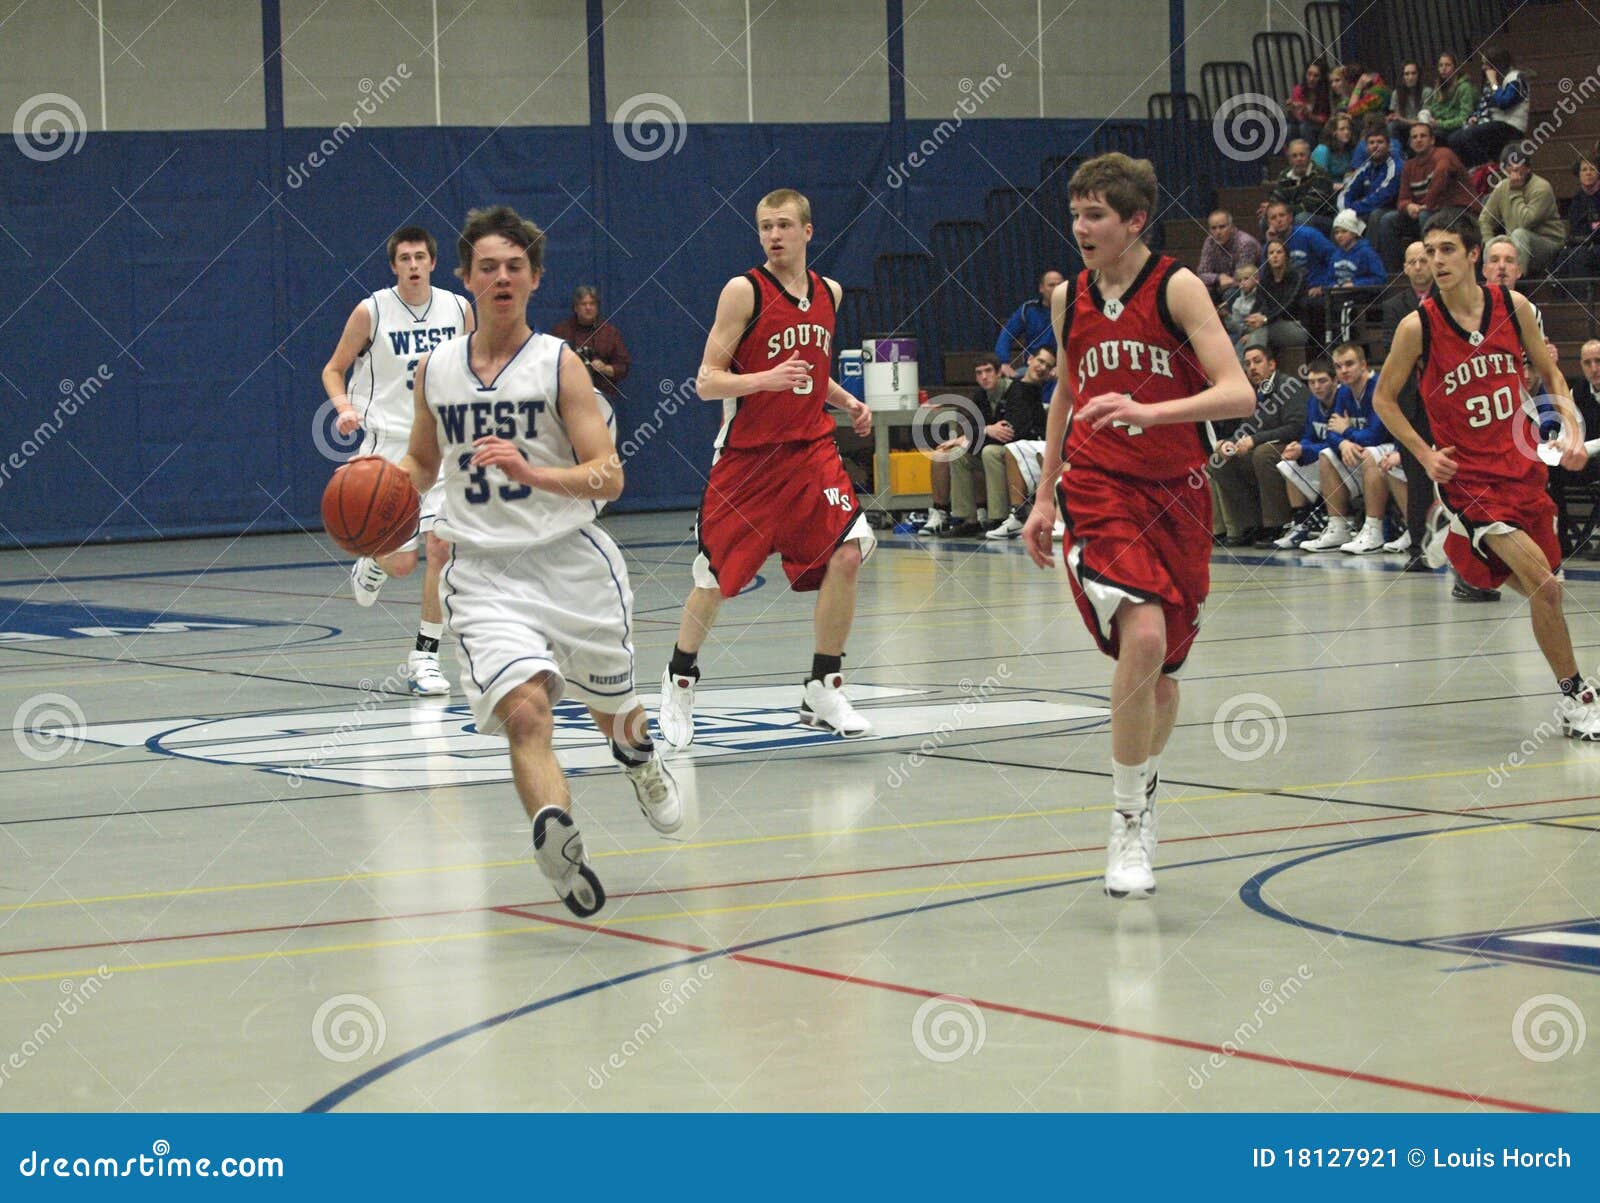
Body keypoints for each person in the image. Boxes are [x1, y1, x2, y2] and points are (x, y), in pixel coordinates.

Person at [396, 205, 681, 917]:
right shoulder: (436, 370)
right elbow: (420, 464)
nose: (501, 276)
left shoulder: (560, 365)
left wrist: (534, 474)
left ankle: (638, 758)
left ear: (534, 279)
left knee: (614, 714)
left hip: (571, 562)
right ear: (464, 279)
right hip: (483, 570)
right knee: (525, 713)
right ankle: (556, 840)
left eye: (515, 267)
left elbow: (609, 476)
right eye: (487, 266)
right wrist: (376, 513)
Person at [1021, 153, 1254, 900]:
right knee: (1143, 637)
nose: (1081, 228)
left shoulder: (1177, 287)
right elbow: (1064, 395)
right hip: (1099, 485)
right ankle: (1124, 821)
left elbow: (1238, 393)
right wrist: (1046, 494)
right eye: (1076, 213)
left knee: (1164, 678)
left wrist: (1149, 411)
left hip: (1176, 494)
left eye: (1096, 216)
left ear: (1134, 221)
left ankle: (1144, 789)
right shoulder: (1071, 297)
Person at [659, 188, 877, 747]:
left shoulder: (830, 292)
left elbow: (810, 370)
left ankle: (823, 683)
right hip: (748, 462)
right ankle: (679, 680)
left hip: (810, 454)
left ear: (808, 231)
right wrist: (762, 380)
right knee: (714, 582)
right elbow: (707, 381)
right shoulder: (744, 291)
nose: (773, 235)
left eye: (783, 225)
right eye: (763, 227)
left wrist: (846, 401)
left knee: (849, 552)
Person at [1372, 214, 1600, 739]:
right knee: (1544, 586)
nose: (1436, 261)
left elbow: (1550, 372)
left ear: (1474, 254)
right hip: (1468, 479)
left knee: (1549, 589)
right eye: (1429, 251)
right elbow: (1383, 399)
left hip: (1520, 469)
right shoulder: (1419, 326)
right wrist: (1426, 456)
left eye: (1447, 249)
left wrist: (1568, 423)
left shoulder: (1512, 308)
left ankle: (1458, 545)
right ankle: (1575, 697)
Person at [320, 224, 475, 696]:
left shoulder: (457, 308)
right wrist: (345, 408)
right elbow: (333, 368)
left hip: (443, 443)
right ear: (394, 265)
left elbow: (474, 363)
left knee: (442, 548)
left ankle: (424, 657)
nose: (412, 265)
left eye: (420, 257)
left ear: (432, 262)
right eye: (404, 258)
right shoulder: (371, 311)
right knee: (402, 563)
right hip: (388, 446)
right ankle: (372, 560)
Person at [1209, 346, 1309, 547]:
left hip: (1294, 447)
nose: (1252, 368)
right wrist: (1227, 442)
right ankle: (1247, 524)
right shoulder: (1251, 392)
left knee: (1262, 455)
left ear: (1272, 364)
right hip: (1261, 447)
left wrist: (1256, 439)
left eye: (1257, 361)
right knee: (1219, 460)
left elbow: (1295, 428)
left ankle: (1276, 524)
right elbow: (1245, 429)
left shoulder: (1289, 386)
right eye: (1247, 364)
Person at [1381, 241, 1438, 568]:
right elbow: (1393, 351)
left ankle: (1462, 547)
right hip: (1411, 405)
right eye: (1411, 262)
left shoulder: (1446, 301)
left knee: (1450, 477)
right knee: (1417, 478)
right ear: (1404, 268)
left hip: (1444, 402)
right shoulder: (1395, 306)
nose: (1418, 266)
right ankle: (1419, 547)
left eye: (1423, 260)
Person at [919, 353, 1006, 535]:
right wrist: (982, 432)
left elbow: (1009, 431)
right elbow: (973, 430)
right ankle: (952, 515)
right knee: (949, 453)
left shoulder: (1015, 391)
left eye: (988, 371)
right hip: (985, 446)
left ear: (999, 373)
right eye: (979, 373)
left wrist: (978, 434)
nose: (984, 377)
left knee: (988, 452)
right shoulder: (979, 397)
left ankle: (995, 517)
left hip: (1008, 450)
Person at [1373, 122, 1477, 271]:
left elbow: (1442, 174)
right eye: (1414, 137)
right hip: (1428, 211)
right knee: (1386, 219)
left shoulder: (1443, 154)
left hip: (1458, 210)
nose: (1418, 140)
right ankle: (1393, 274)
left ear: (1432, 140)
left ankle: (1430, 268)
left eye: (1423, 136)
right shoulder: (1409, 166)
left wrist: (1425, 205)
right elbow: (1402, 199)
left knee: (1425, 216)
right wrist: (1409, 206)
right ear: (1410, 142)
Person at [981, 346, 1053, 538]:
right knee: (972, 452)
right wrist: (985, 431)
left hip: (1035, 443)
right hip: (1015, 441)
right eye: (1040, 361)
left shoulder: (1049, 389)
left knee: (994, 452)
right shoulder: (1012, 387)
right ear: (1030, 360)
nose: (1042, 367)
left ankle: (1006, 517)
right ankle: (974, 516)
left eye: (1048, 365)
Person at [1270, 359, 1342, 548]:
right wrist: (1298, 446)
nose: (1317, 386)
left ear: (1335, 381)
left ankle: (1338, 525)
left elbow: (1336, 442)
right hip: (1323, 455)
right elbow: (1309, 436)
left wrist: (1306, 449)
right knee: (1288, 463)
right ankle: (1301, 525)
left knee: (1325, 454)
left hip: (1343, 457)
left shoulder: (1343, 399)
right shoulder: (1313, 403)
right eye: (1312, 382)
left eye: (1322, 381)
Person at [1479, 147, 1568, 278]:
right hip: (1516, 245)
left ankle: (1517, 281)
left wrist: (1515, 191)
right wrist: (1490, 243)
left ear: (1527, 168)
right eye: (1509, 166)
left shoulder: (1541, 187)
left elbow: (1525, 222)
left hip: (1547, 244)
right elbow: (1485, 219)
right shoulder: (1502, 187)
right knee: (1496, 244)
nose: (1514, 170)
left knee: (1519, 234)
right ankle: (1492, 283)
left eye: (1518, 166)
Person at [1450, 46, 1529, 167]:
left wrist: (1494, 84)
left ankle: (1485, 166)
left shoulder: (1515, 77)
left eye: (1486, 64)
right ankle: (1470, 170)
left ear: (1496, 63)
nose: (1483, 68)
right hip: (1493, 121)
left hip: (1512, 125)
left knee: (1468, 136)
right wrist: (1475, 116)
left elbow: (1504, 103)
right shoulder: (1491, 80)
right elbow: (1485, 103)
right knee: (1454, 138)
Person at [551, 285, 631, 401]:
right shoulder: (561, 331)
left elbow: (623, 367)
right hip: (569, 399)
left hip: (602, 398)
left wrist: (604, 368)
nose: (588, 308)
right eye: (583, 304)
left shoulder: (609, 333)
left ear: (597, 307)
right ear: (575, 308)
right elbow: (549, 366)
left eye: (592, 304)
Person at [1258, 138, 1337, 234]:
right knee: (1264, 221)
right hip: (1292, 214)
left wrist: (1283, 212)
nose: (1298, 159)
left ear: (1309, 157)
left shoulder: (1320, 174)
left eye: (1302, 155)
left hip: (1323, 218)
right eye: (1294, 156)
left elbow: (1309, 207)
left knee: (1301, 218)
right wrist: (1271, 209)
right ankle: (1275, 247)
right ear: (1290, 160)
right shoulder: (1285, 175)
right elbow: (1277, 199)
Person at [1244, 238, 1309, 354]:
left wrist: (1265, 319)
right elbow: (1257, 305)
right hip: (1270, 324)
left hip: (1295, 326)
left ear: (1286, 256)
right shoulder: (1265, 280)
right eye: (1271, 253)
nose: (1275, 256)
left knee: (1262, 329)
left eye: (1279, 252)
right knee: (1246, 337)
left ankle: (1248, 368)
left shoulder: (1297, 277)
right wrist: (1250, 323)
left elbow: (1287, 306)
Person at [996, 269, 1064, 376]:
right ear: (1041, 288)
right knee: (1015, 384)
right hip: (1032, 368)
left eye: (1060, 285)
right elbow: (1006, 335)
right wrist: (1003, 362)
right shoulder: (1028, 309)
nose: (1056, 289)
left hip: (1063, 368)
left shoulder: (1074, 310)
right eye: (1051, 285)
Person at [1335, 121, 1400, 219]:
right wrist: (1345, 211)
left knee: (1375, 214)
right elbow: (1346, 192)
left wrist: (1352, 210)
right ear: (1366, 147)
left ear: (1388, 145)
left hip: (1386, 210)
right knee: (1342, 220)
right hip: (1362, 210)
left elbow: (1382, 198)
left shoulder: (1396, 166)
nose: (1375, 146)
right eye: (1371, 142)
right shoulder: (1365, 167)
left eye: (1380, 142)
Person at [1554, 154, 1600, 280]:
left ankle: (1581, 298)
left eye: (1592, 169)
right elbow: (1576, 229)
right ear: (1578, 175)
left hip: (1596, 244)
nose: (1588, 173)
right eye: (1584, 170)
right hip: (1583, 243)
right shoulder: (1577, 200)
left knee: (1579, 255)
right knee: (1563, 255)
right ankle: (1562, 297)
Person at [1196, 209, 1261, 295]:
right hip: (1220, 285)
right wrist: (1218, 278)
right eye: (1213, 228)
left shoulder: (1245, 243)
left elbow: (1240, 280)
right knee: (1199, 290)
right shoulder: (1210, 242)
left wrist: (1221, 281)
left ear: (1232, 227)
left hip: (1251, 289)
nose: (1218, 232)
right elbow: (1201, 274)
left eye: (1222, 227)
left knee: (1230, 293)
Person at [1421, 51, 1478, 139]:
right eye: (1441, 65)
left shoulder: (1464, 87)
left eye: (1447, 65)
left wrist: (1439, 123)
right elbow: (1435, 109)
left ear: (1455, 68)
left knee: (1434, 137)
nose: (1443, 68)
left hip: (1460, 127)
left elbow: (1464, 117)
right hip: (1442, 125)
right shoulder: (1439, 86)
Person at [1285, 61, 1332, 144]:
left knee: (1305, 127)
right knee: (1289, 128)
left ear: (1322, 77)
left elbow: (1325, 119)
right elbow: (1299, 117)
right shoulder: (1298, 90)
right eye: (1309, 74)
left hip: (1321, 125)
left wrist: (1309, 115)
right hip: (1301, 123)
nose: (1311, 79)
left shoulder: (1326, 93)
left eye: (1316, 76)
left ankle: (1311, 155)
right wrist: (1293, 109)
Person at [1387, 60, 1426, 149]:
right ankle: (1397, 155)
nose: (1410, 77)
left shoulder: (1426, 92)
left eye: (1413, 73)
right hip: (1404, 128)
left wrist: (1401, 119)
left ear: (1418, 75)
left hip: (1422, 128)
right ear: (1402, 77)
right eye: (1407, 74)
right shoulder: (1396, 94)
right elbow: (1396, 117)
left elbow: (1424, 123)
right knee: (1391, 126)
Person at [1313, 114, 1358, 186]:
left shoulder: (1348, 149)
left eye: (1348, 128)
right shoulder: (1322, 150)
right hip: (1327, 192)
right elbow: (1319, 181)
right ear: (1333, 132)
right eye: (1342, 129)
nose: (1347, 132)